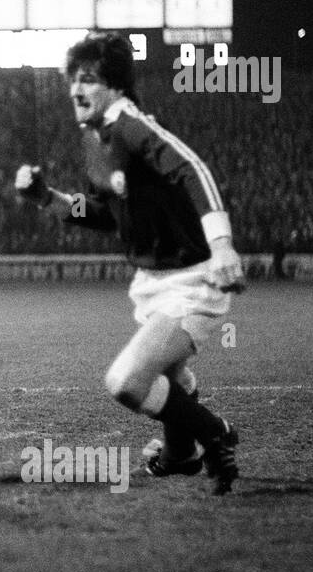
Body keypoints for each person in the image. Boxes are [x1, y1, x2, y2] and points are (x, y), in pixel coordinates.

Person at [15, 31, 246, 494]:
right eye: (72, 81)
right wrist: (48, 198)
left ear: (116, 86)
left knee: (126, 382)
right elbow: (104, 213)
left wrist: (222, 244)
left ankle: (214, 431)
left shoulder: (130, 125)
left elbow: (191, 167)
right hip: (151, 282)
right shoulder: (94, 138)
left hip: (191, 280)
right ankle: (182, 454)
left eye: (89, 80)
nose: (76, 90)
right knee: (172, 380)